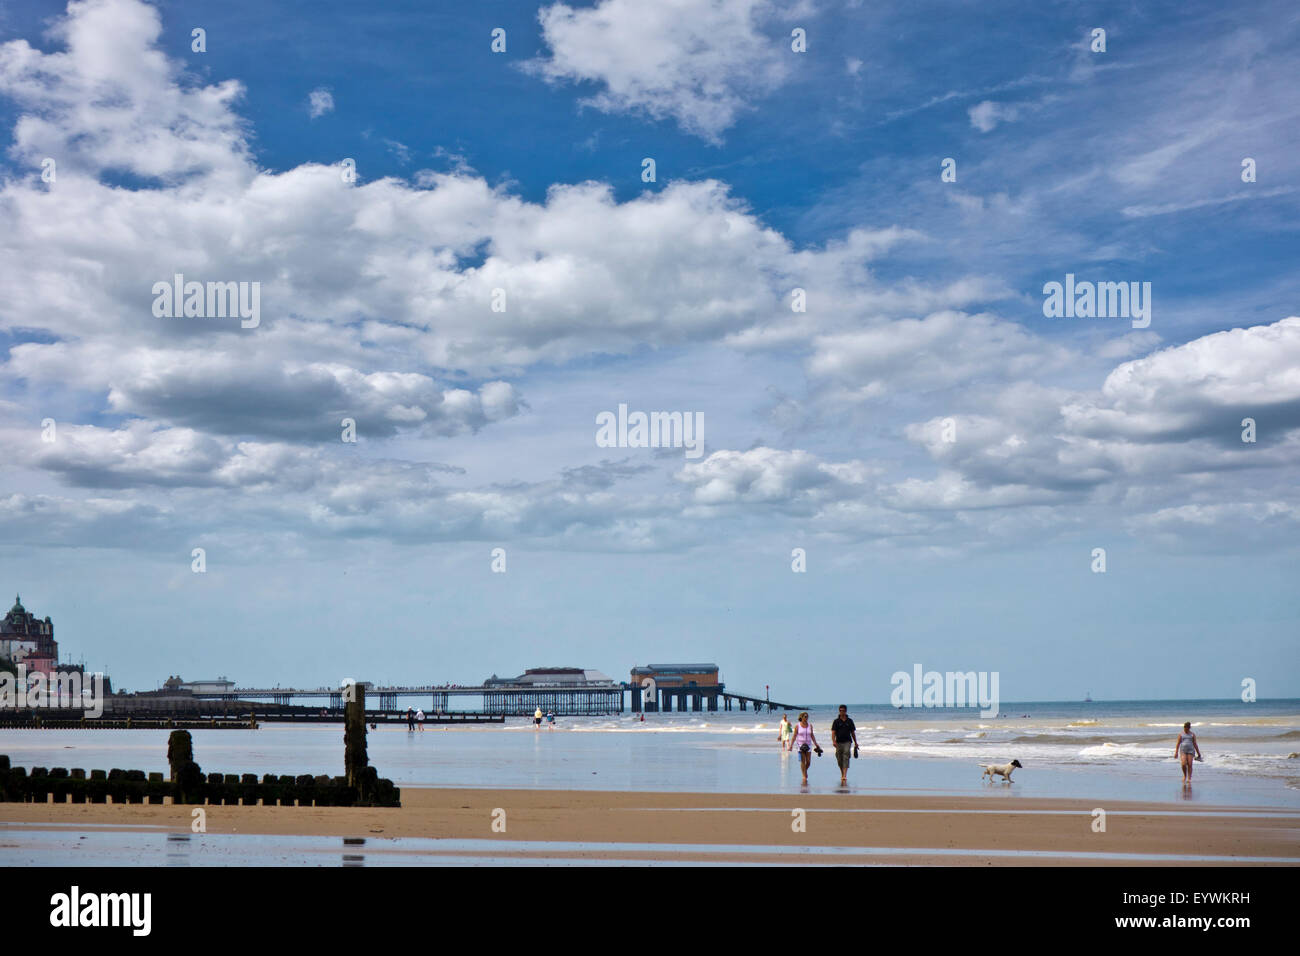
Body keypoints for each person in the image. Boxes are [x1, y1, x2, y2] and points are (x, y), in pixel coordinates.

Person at [830, 704, 859, 786]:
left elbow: (853, 733)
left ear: (846, 711)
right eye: (840, 710)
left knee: (846, 754)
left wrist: (856, 743)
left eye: (843, 710)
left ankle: (844, 775)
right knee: (839, 758)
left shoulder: (850, 721)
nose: (841, 712)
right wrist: (833, 741)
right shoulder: (836, 721)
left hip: (847, 742)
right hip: (838, 742)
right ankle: (842, 773)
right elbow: (833, 732)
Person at [791, 711, 821, 785]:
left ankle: (804, 771)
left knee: (808, 762)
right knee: (803, 761)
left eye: (807, 717)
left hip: (809, 745)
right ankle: (804, 775)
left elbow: (812, 735)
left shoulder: (810, 725)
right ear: (801, 717)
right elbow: (794, 736)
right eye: (805, 716)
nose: (806, 718)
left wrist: (816, 743)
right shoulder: (797, 726)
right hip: (800, 745)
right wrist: (791, 745)